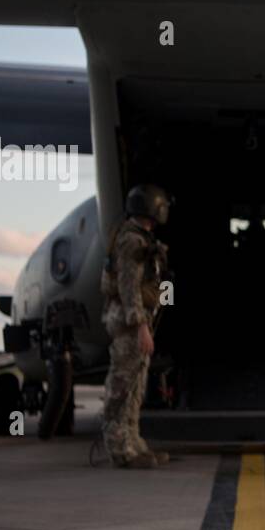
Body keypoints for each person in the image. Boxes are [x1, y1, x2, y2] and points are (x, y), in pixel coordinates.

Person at [100, 183, 172, 469]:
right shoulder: (132, 241)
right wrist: (141, 325)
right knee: (123, 384)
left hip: (136, 321)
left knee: (135, 386)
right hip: (129, 323)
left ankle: (132, 442)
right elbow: (128, 286)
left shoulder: (139, 237)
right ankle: (120, 449)